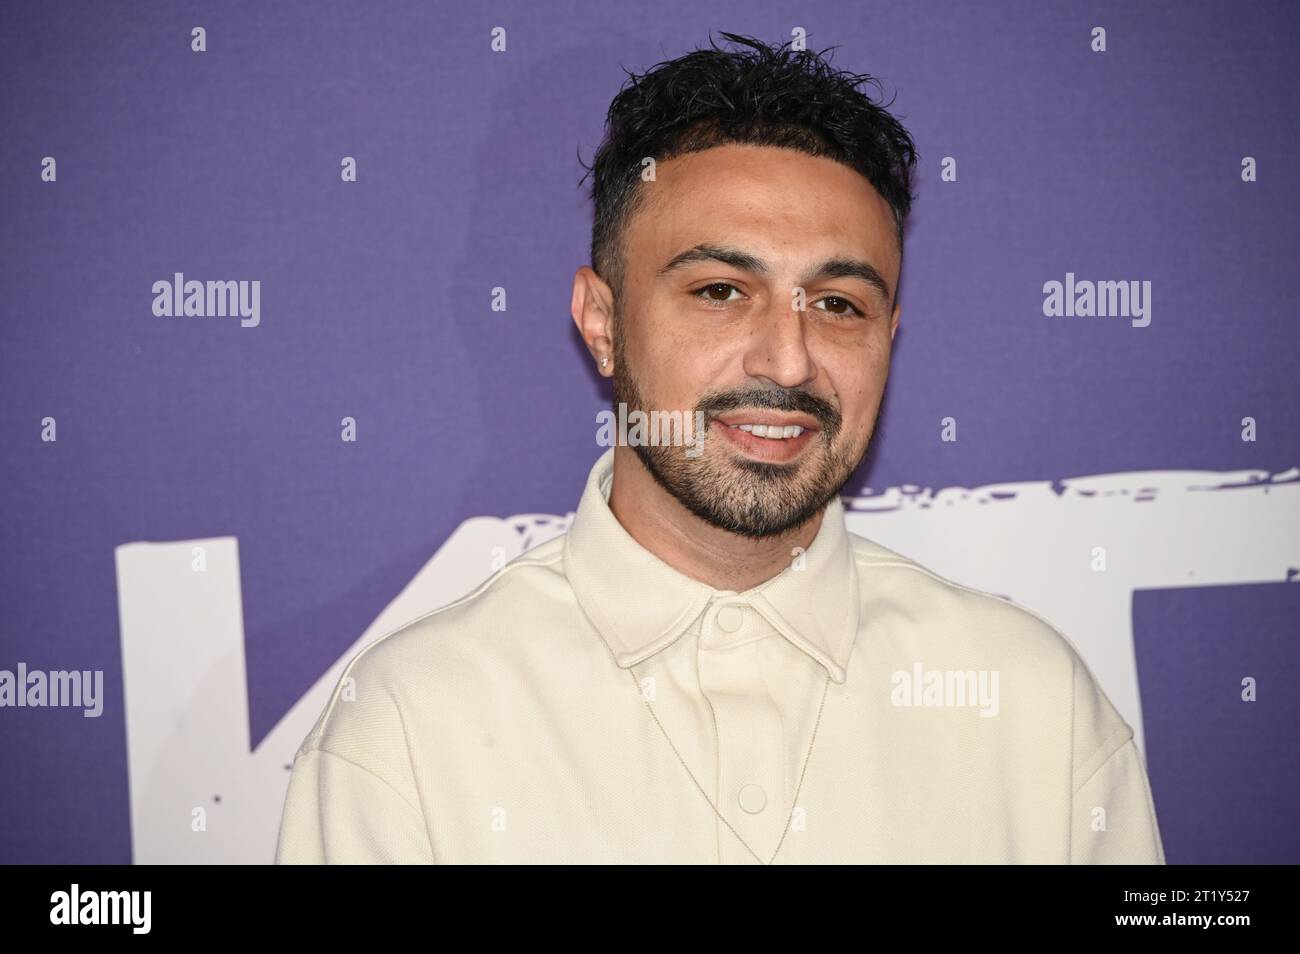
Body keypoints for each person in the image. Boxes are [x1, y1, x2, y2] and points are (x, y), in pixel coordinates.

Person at [275, 32, 1165, 864]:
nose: (788, 358)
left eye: (839, 304)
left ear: (891, 335)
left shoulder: (1034, 705)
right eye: (719, 291)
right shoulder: (406, 726)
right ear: (602, 322)